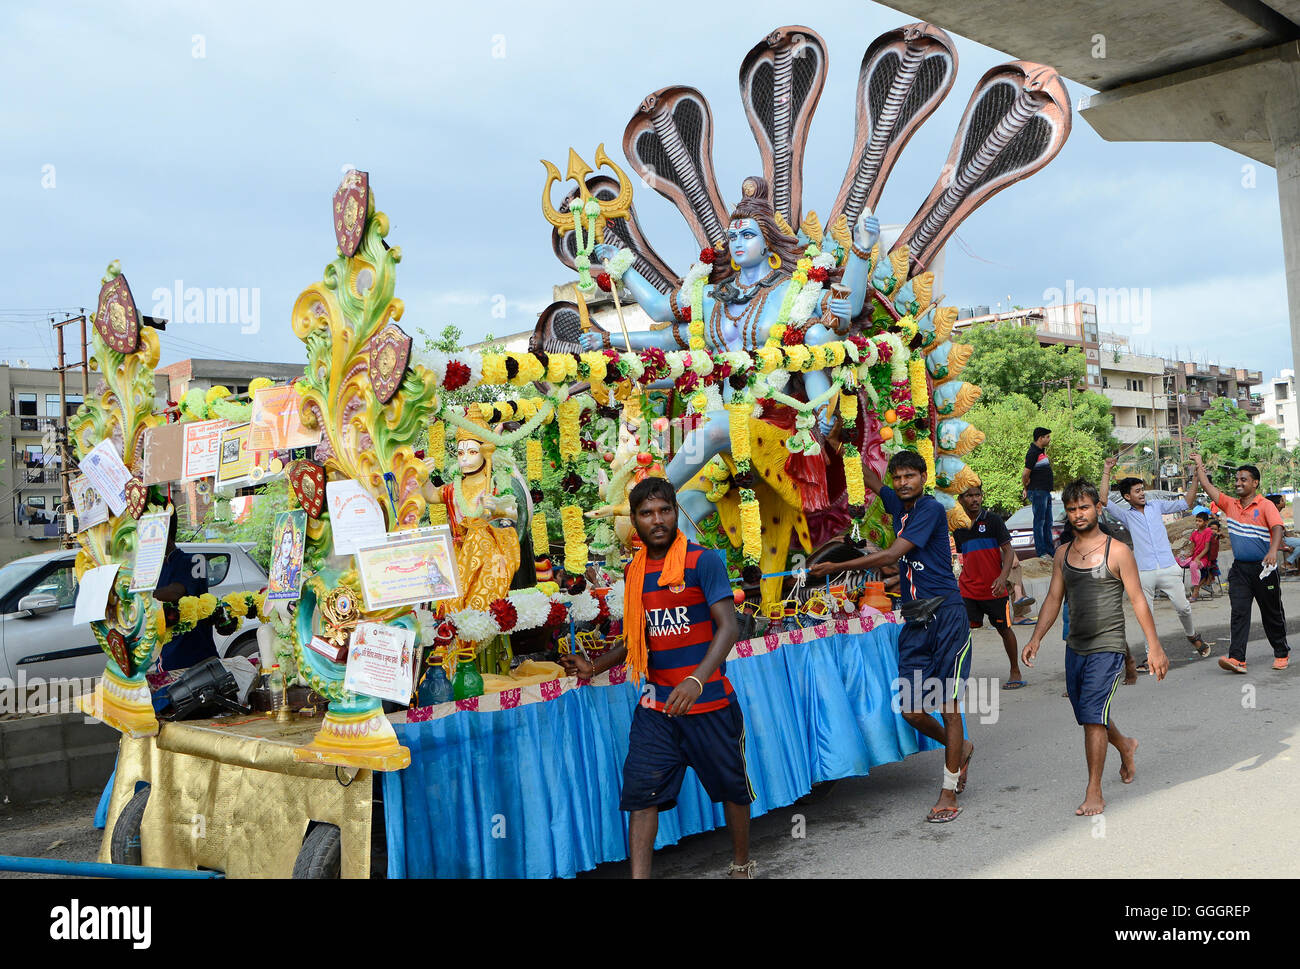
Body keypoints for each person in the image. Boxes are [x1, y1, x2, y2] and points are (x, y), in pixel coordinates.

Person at [559, 478, 754, 877]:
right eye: (647, 513)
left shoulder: (704, 561)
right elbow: (638, 637)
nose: (657, 519)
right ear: (634, 520)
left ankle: (741, 865)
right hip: (655, 705)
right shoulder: (633, 572)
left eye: (664, 510)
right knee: (640, 794)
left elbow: (728, 627)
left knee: (732, 789)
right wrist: (595, 666)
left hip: (710, 702)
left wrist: (696, 680)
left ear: (675, 511)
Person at [810, 451, 973, 823]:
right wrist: (840, 443)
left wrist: (837, 566)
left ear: (923, 477)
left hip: (946, 616)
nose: (902, 483)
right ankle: (960, 749)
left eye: (909, 476)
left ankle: (948, 792)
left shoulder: (929, 509)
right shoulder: (897, 503)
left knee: (948, 705)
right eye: (897, 477)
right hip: (916, 619)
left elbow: (896, 552)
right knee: (913, 711)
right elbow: (870, 478)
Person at [1022, 480, 1169, 816]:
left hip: (1108, 646)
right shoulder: (1062, 554)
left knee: (1092, 718)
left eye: (1084, 507)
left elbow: (1138, 601)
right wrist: (1036, 638)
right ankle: (1125, 744)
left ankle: (1094, 791)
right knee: (1089, 713)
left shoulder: (1117, 551)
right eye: (1072, 509)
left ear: (1098, 508)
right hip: (1076, 646)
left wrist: (1154, 647)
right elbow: (1054, 599)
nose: (1078, 514)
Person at [1100, 456, 1211, 658]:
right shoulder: (1126, 515)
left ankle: (1192, 635)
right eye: (1137, 491)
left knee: (1183, 608)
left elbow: (1186, 502)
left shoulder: (1157, 506)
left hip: (1168, 567)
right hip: (1144, 572)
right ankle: (1151, 653)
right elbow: (1104, 500)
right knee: (1146, 614)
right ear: (1127, 496)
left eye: (1142, 489)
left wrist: (1195, 476)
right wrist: (1107, 469)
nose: (1142, 494)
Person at [1191, 456, 1290, 672]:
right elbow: (1208, 487)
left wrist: (1273, 551)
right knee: (1239, 612)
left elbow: (1277, 528)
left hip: (1264, 569)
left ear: (1255, 483)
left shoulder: (1265, 505)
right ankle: (1237, 659)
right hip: (1240, 570)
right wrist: (1199, 466)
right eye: (1237, 479)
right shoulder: (1230, 504)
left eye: (1243, 479)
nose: (1238, 483)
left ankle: (1281, 653)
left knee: (1271, 613)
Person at [953, 483, 1025, 688]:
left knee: (1004, 629)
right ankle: (960, 676)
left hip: (995, 590)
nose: (974, 499)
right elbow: (963, 555)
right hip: (968, 590)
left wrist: (1003, 577)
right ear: (961, 500)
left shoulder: (993, 521)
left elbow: (1009, 551)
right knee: (961, 633)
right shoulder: (958, 527)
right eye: (969, 495)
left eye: (977, 495)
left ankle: (1015, 670)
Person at [152, 512, 216, 671]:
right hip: (166, 658)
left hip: (194, 662)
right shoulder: (155, 569)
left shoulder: (195, 560)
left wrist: (138, 594)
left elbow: (175, 592)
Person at [1022, 427, 1055, 558]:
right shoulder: (1032, 453)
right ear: (1040, 438)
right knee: (1040, 522)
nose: (1049, 439)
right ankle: (1041, 552)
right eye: (1047, 437)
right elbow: (1025, 474)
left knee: (1048, 522)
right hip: (1038, 491)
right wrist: (1026, 488)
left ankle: (1049, 551)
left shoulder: (1041, 452)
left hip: (1045, 491)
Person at [1180, 513, 1214, 601]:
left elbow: (1207, 548)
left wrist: (1198, 558)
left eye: (1200, 521)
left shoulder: (1208, 531)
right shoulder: (1194, 533)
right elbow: (1193, 549)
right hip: (1194, 557)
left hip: (1204, 559)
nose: (1197, 523)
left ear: (1206, 522)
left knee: (1193, 565)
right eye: (1196, 520)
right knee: (1176, 560)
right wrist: (1187, 555)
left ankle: (1196, 590)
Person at [1267, 494, 1300, 572]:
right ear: (1276, 504)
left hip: (1285, 539)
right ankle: (1287, 563)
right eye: (1282, 500)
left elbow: (1284, 532)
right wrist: (1285, 547)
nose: (1284, 502)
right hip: (1280, 541)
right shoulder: (1272, 516)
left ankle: (1288, 563)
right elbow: (1275, 535)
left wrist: (1292, 537)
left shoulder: (1277, 514)